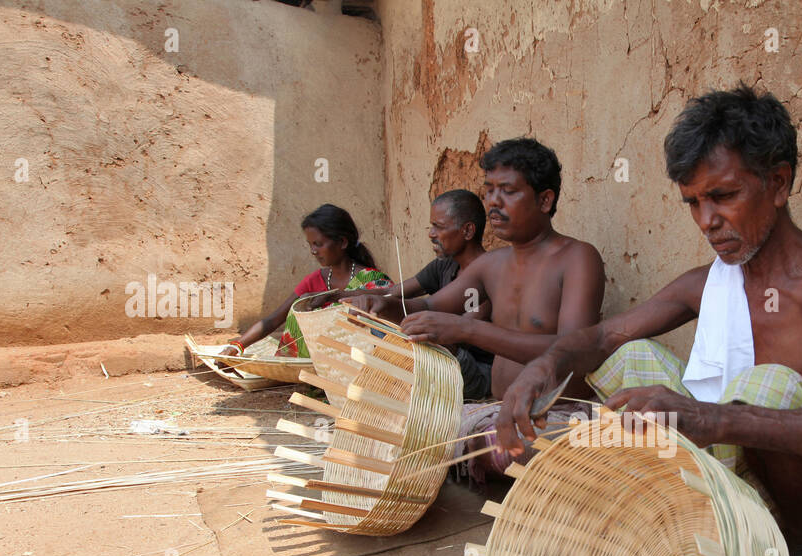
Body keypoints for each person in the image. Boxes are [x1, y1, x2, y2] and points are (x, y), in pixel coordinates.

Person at [494, 86, 802, 556]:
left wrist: (712, 419)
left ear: (777, 183)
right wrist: (546, 365)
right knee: (632, 358)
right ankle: (699, 530)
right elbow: (605, 334)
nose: (707, 221)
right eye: (692, 202)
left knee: (769, 385)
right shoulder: (706, 284)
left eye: (723, 196)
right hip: (740, 483)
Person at [353, 138, 606, 485]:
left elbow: (574, 350)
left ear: (545, 200)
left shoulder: (577, 259)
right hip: (495, 408)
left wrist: (466, 330)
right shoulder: (492, 264)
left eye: (508, 191)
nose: (493, 203)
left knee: (501, 448)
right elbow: (429, 305)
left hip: (558, 412)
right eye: (488, 190)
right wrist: (384, 306)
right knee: (396, 425)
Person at [343, 189, 494, 400]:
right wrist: (342, 297)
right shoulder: (444, 266)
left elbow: (456, 336)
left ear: (468, 231)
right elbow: (391, 294)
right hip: (440, 360)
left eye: (439, 227)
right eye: (431, 226)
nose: (431, 234)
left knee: (417, 336)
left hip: (474, 371)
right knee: (381, 327)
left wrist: (397, 315)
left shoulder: (491, 275)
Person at [224, 204, 391, 359]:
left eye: (318, 244)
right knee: (298, 308)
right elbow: (274, 319)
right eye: (310, 245)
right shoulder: (315, 280)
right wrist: (238, 346)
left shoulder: (373, 281)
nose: (313, 251)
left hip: (356, 364)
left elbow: (391, 315)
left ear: (342, 242)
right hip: (314, 365)